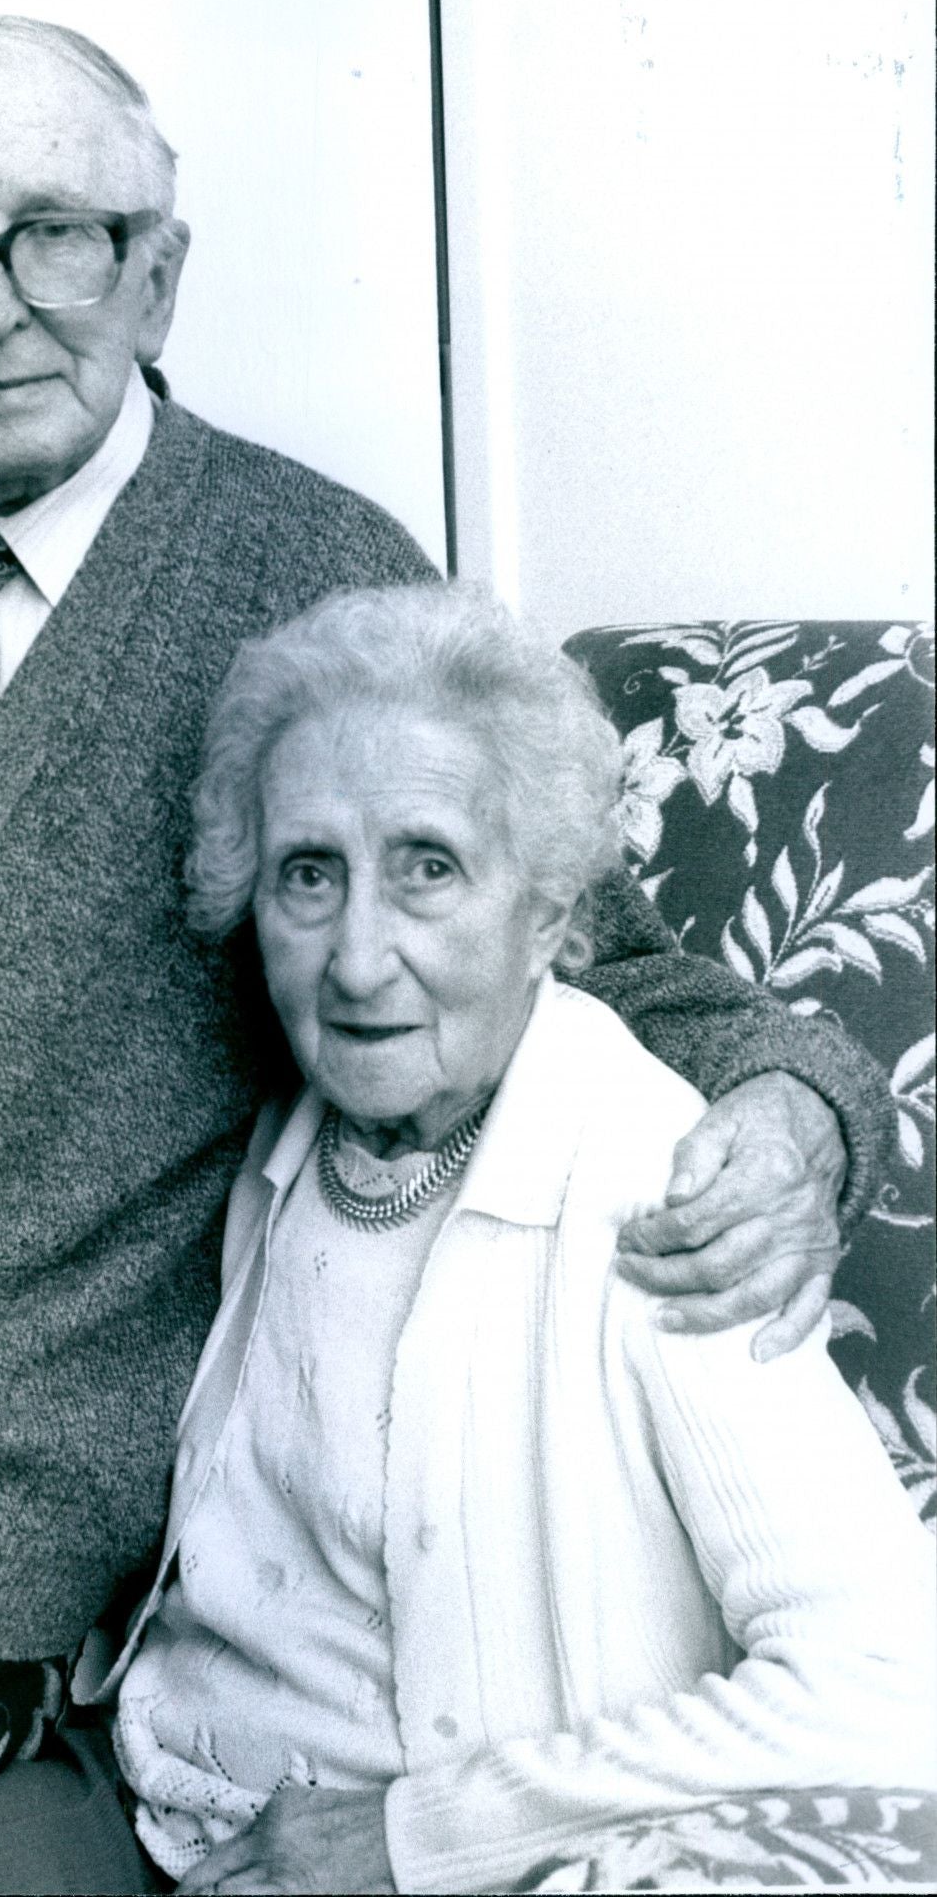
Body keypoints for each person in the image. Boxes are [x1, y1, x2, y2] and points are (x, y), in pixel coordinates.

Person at [0, 17, 893, 1895]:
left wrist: (797, 1105)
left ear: (158, 275)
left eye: (60, 235)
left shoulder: (312, 572)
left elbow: (560, 949)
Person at [110, 583, 937, 1896]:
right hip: (144, 1805)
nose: (358, 962)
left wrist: (418, 1837)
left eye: (428, 869)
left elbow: (892, 1688)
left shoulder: (669, 1197)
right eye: (308, 874)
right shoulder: (285, 1143)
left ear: (548, 914)